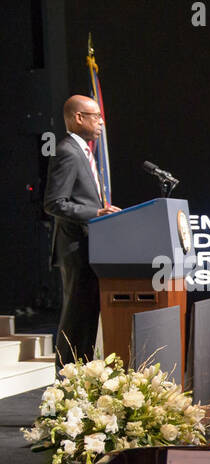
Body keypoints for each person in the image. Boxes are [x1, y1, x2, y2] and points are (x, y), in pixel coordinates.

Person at [45, 95, 119, 368]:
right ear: (79, 118)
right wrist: (95, 213)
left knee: (87, 320)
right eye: (96, 116)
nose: (101, 121)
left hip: (91, 247)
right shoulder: (67, 151)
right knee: (76, 321)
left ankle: (81, 380)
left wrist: (101, 209)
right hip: (76, 247)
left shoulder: (83, 152)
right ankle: (65, 383)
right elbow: (53, 202)